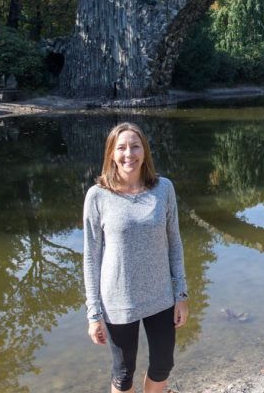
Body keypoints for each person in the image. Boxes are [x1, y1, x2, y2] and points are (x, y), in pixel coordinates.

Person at [83, 122, 188, 393]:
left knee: (163, 364)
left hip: (160, 296)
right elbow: (91, 259)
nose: (128, 154)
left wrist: (181, 295)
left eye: (135, 146)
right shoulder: (97, 196)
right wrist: (94, 313)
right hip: (119, 300)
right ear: (111, 154)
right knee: (123, 374)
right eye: (121, 148)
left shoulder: (164, 189)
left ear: (145, 152)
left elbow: (175, 244)